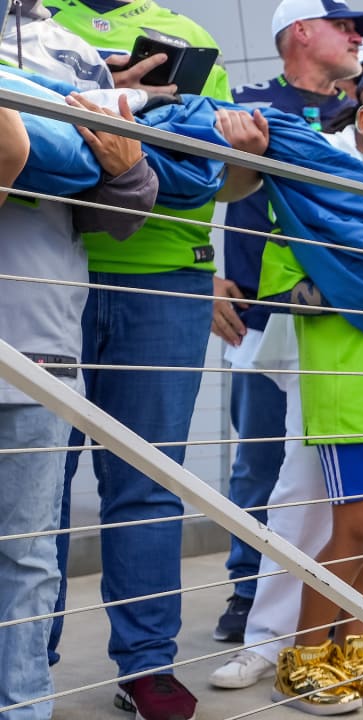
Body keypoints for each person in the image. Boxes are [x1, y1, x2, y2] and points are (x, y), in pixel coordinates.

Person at [44, 2, 268, 717]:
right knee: (36, 481)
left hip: (169, 278)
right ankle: (22, 659)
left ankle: (146, 667)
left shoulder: (193, 34)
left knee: (147, 481)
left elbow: (229, 180)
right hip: (51, 264)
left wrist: (242, 151)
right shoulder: (34, 20)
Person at [0, 5, 158, 716]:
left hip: (38, 338)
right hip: (39, 339)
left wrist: (128, 174)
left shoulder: (72, 51)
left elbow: (122, 211)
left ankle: (24, 708)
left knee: (25, 557)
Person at [211, 0, 363, 646]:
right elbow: (200, 177)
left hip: (345, 320)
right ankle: (247, 592)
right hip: (260, 313)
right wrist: (206, 269)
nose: (356, 37)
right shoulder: (248, 101)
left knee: (340, 476)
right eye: (344, 25)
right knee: (259, 463)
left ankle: (337, 616)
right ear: (301, 32)